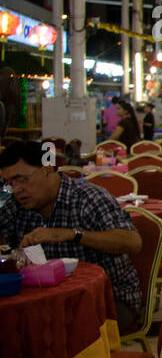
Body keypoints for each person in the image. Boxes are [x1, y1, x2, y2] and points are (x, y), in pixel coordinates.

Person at [0, 140, 144, 333]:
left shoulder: (88, 198)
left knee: (44, 332)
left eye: (22, 179)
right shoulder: (15, 207)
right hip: (45, 302)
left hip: (107, 300)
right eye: (9, 184)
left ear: (47, 169)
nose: (16, 189)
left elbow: (133, 242)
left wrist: (72, 234)